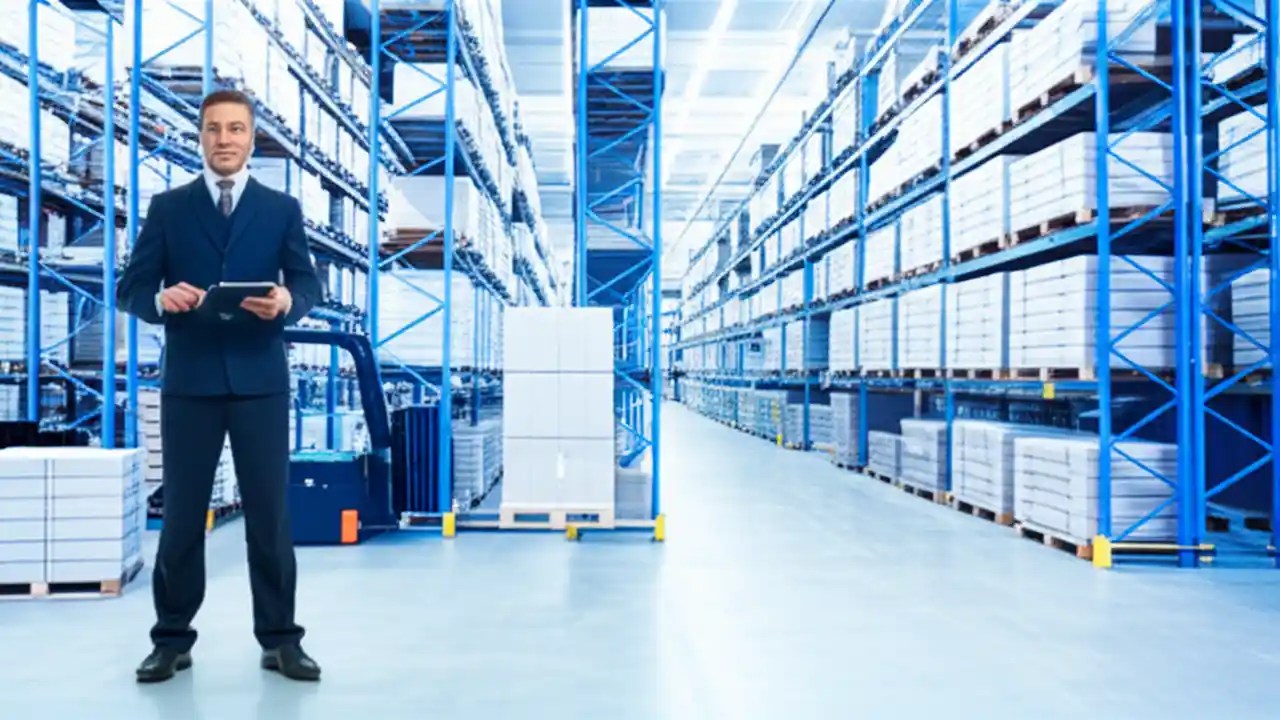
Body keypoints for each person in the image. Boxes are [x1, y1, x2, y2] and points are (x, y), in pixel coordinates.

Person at [117, 89, 324, 683]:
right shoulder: (169, 208)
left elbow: (307, 283)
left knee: (270, 516)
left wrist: (289, 300)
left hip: (261, 380)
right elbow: (131, 289)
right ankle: (171, 639)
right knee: (182, 516)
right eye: (214, 129)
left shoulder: (281, 208)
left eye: (236, 128)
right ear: (200, 137)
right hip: (192, 382)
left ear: (252, 138)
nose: (225, 139)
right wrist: (160, 299)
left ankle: (281, 639)